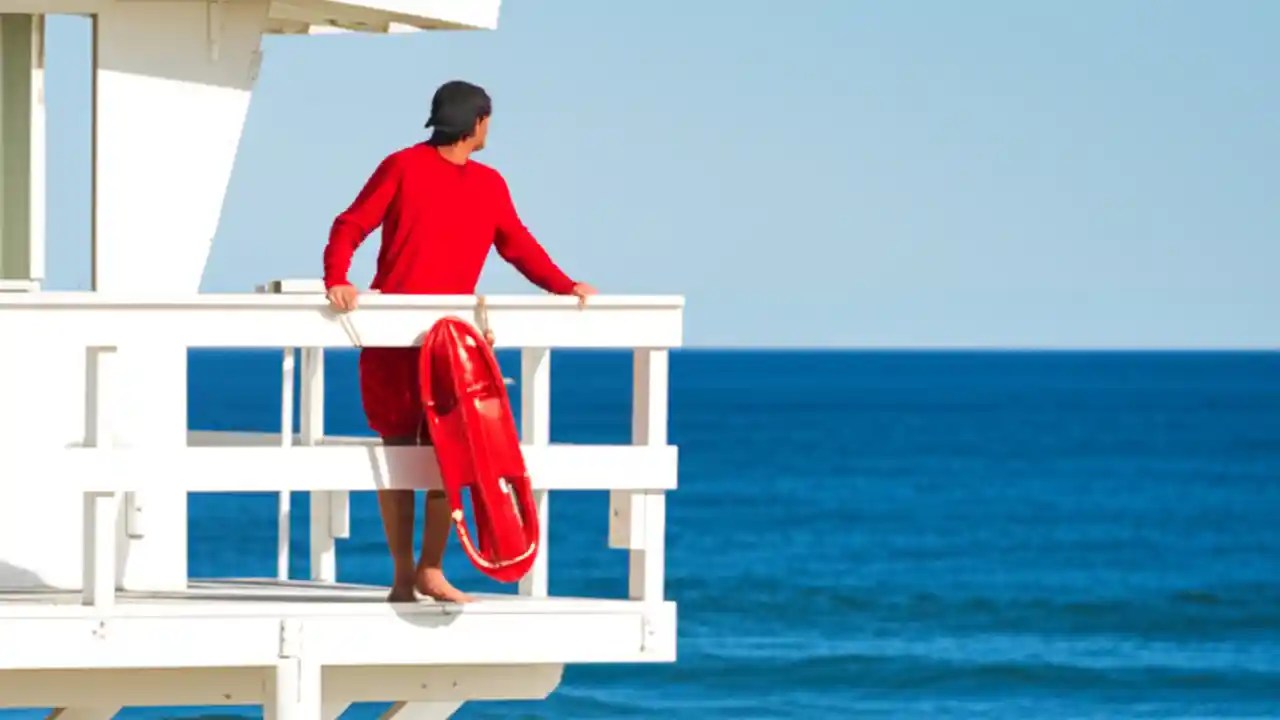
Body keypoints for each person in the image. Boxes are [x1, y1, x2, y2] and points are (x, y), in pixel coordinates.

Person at [322, 80, 596, 603]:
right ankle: (402, 578)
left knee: (455, 451)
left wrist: (564, 285)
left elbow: (517, 245)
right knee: (401, 455)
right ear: (478, 123)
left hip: (451, 345)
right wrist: (338, 277)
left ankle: (430, 570)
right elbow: (350, 225)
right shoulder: (402, 166)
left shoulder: (489, 185)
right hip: (393, 343)